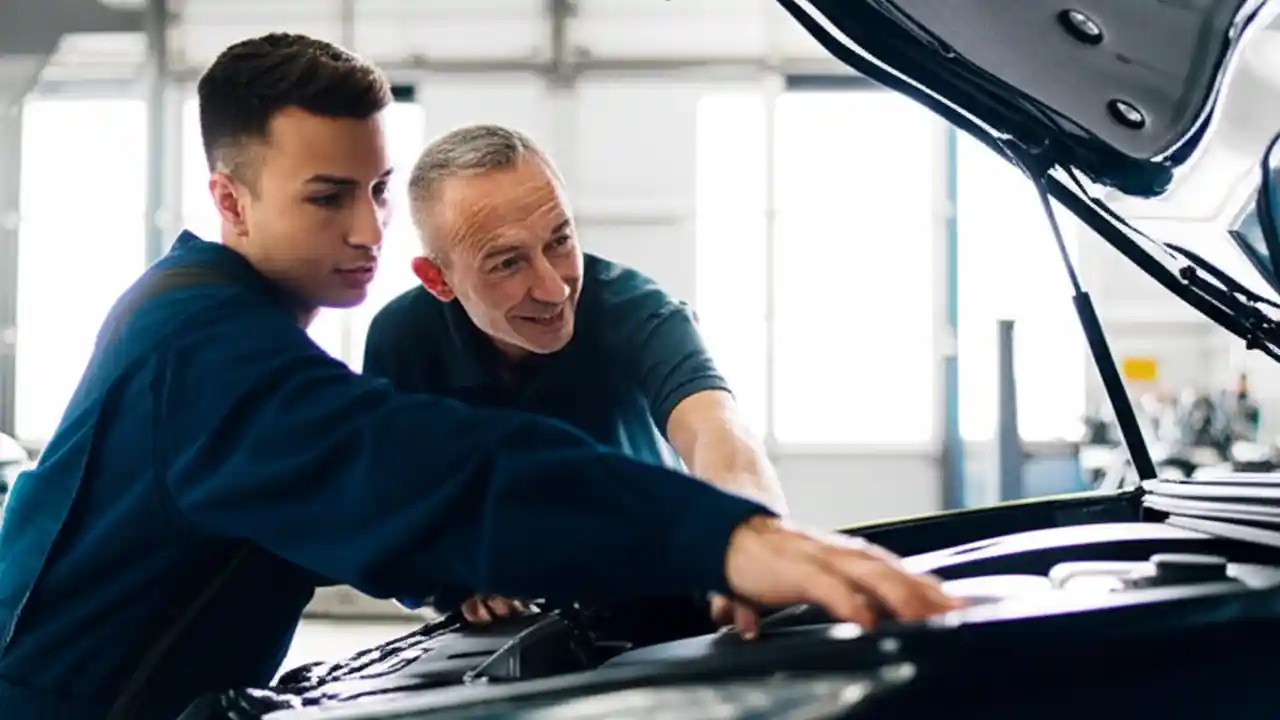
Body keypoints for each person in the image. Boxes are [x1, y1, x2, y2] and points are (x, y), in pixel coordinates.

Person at [0, 33, 956, 720]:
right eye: (328, 198)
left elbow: (361, 518)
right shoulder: (199, 345)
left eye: (376, 191)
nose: (369, 231)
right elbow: (413, 469)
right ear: (230, 201)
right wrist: (714, 539)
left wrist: (739, 519)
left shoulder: (225, 318)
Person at [362, 124, 786, 633]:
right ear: (439, 279)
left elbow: (715, 429)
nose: (553, 287)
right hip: (504, 625)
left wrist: (747, 534)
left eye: (560, 240)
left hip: (660, 594)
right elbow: (394, 508)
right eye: (507, 263)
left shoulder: (636, 310)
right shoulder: (402, 341)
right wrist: (455, 580)